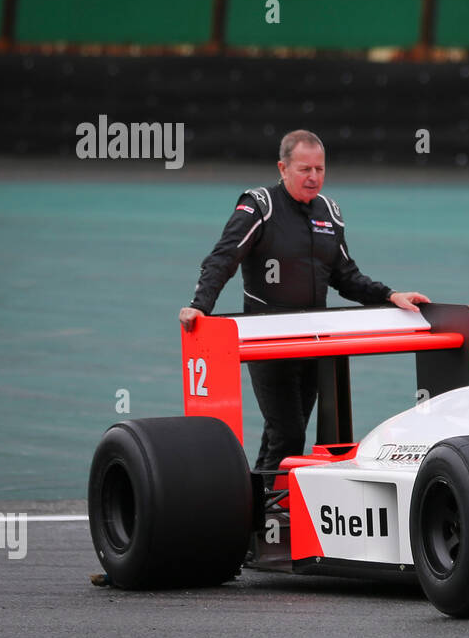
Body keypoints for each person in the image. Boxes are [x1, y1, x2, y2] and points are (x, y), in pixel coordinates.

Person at [178, 129, 429, 478]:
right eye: (304, 169)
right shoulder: (258, 206)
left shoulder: (330, 212)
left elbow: (345, 276)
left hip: (313, 342)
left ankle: (260, 507)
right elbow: (222, 259)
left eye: (320, 169)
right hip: (266, 341)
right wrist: (200, 306)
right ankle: (261, 511)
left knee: (284, 433)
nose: (314, 177)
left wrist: (389, 295)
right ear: (283, 168)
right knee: (288, 433)